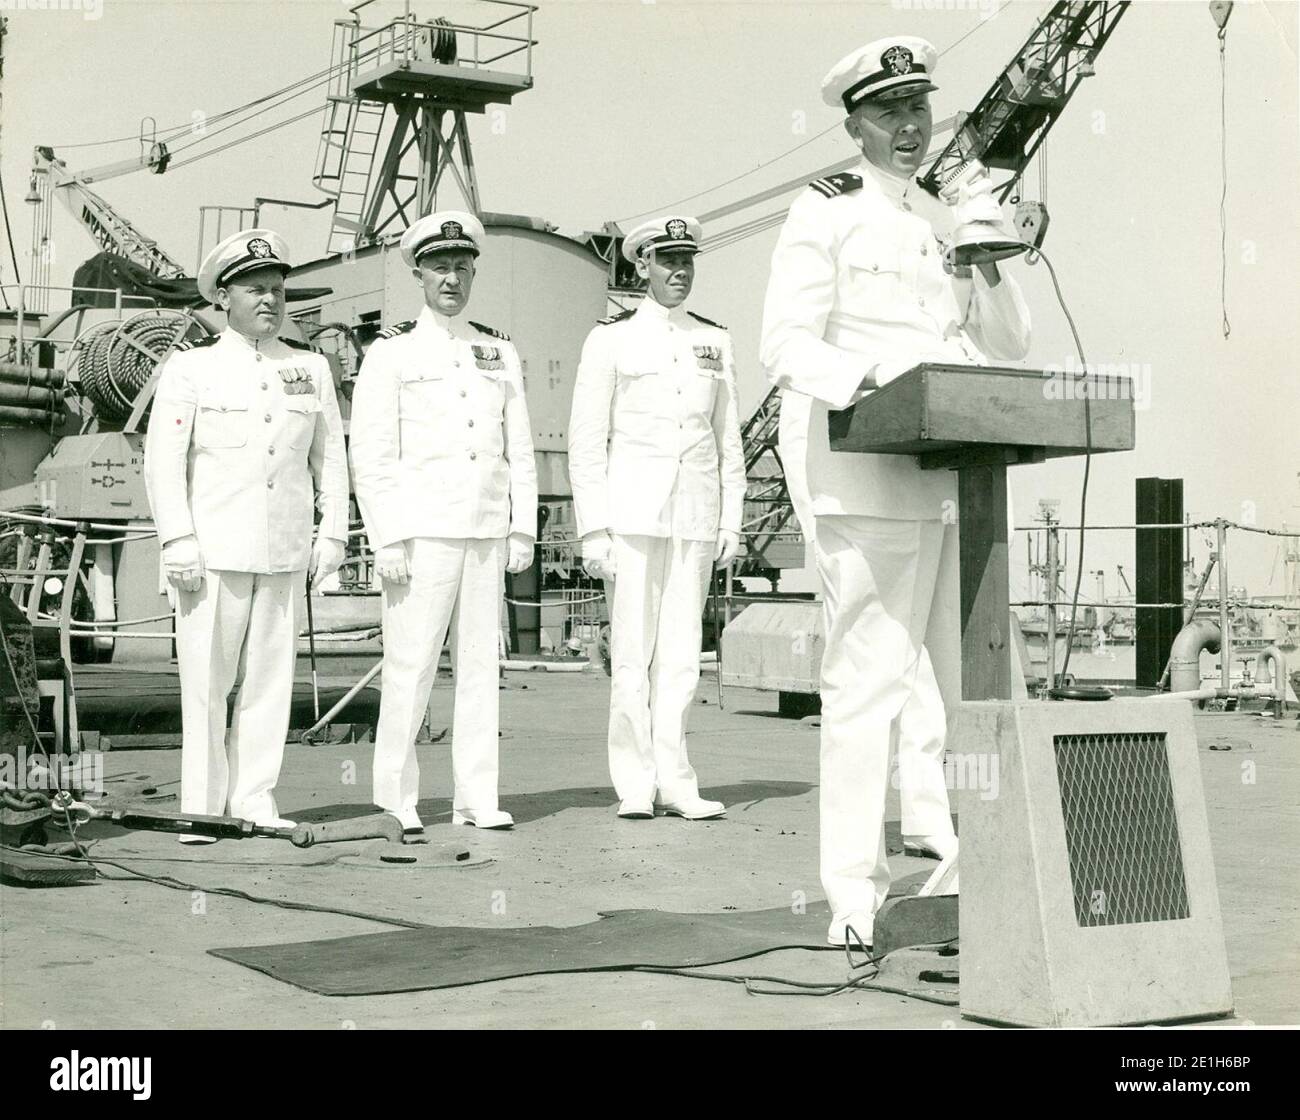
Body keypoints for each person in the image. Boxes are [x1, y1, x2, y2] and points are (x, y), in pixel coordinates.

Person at [759, 37, 1031, 945]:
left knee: (979, 694)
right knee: (867, 691)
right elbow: (786, 344)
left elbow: (1008, 343)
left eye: (919, 108)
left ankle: (980, 869)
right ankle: (852, 899)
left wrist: (984, 249)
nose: (910, 127)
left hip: (957, 484)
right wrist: (879, 381)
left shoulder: (943, 216)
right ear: (856, 126)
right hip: (869, 481)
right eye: (889, 112)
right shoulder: (826, 209)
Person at [144, 228, 349, 840]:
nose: (269, 299)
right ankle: (204, 806)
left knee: (268, 684)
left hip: (284, 550)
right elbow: (163, 462)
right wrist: (177, 540)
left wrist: (333, 535)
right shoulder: (192, 369)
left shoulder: (310, 368)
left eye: (277, 289)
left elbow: (331, 461)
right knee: (206, 687)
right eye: (255, 289)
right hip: (212, 554)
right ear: (223, 298)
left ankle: (255, 799)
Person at [350, 211, 537, 834]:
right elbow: (372, 452)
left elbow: (518, 446)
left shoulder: (498, 350)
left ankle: (476, 798)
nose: (451, 279)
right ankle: (395, 800)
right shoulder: (392, 351)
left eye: (461, 267)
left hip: (484, 530)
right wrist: (386, 536)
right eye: (439, 268)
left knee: (481, 668)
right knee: (410, 666)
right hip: (421, 533)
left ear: (473, 273)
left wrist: (521, 527)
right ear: (419, 274)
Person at [569, 216, 746, 821]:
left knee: (681, 655)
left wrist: (731, 520)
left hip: (695, 515)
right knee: (631, 654)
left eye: (687, 260)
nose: (680, 271)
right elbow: (586, 441)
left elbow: (726, 438)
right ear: (642, 266)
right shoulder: (610, 340)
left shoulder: (713, 340)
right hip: (632, 516)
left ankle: (677, 781)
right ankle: (635, 783)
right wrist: (594, 529)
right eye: (668, 261)